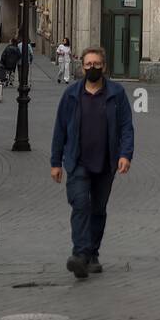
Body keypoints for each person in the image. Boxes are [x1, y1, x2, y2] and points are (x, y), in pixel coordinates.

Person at [50, 46, 134, 280]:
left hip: (106, 163)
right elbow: (60, 130)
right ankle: (80, 255)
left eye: (97, 64)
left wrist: (125, 155)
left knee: (98, 209)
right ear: (82, 66)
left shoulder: (116, 94)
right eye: (88, 64)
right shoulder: (71, 95)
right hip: (78, 161)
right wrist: (55, 162)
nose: (92, 68)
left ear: (104, 66)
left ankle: (92, 254)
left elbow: (126, 127)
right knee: (80, 205)